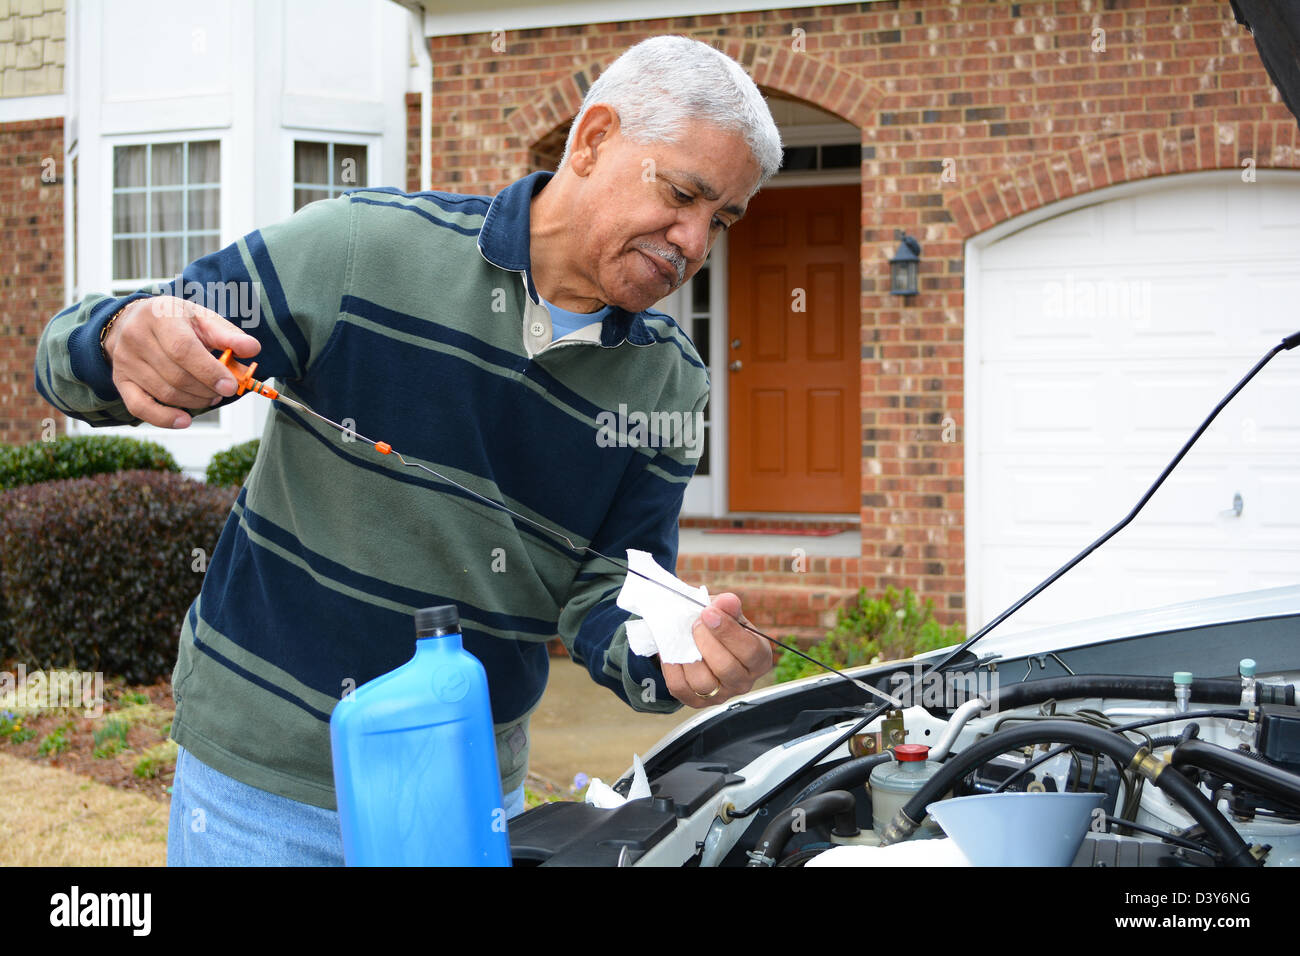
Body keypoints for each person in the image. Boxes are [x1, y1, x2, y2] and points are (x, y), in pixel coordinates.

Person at [34, 35, 783, 865]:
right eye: (682, 194)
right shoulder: (363, 250)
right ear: (595, 137)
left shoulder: (670, 383)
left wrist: (675, 658)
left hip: (460, 799)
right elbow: (84, 354)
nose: (692, 241)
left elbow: (611, 592)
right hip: (266, 792)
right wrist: (118, 334)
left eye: (721, 219)